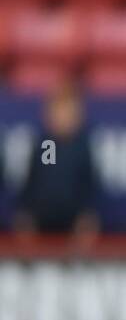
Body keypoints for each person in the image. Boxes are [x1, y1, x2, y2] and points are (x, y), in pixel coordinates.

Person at [14, 80, 100, 247]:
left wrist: (87, 216)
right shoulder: (48, 145)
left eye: (68, 111)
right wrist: (27, 214)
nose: (63, 116)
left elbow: (89, 187)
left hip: (73, 221)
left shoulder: (81, 147)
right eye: (59, 111)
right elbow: (40, 182)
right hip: (43, 220)